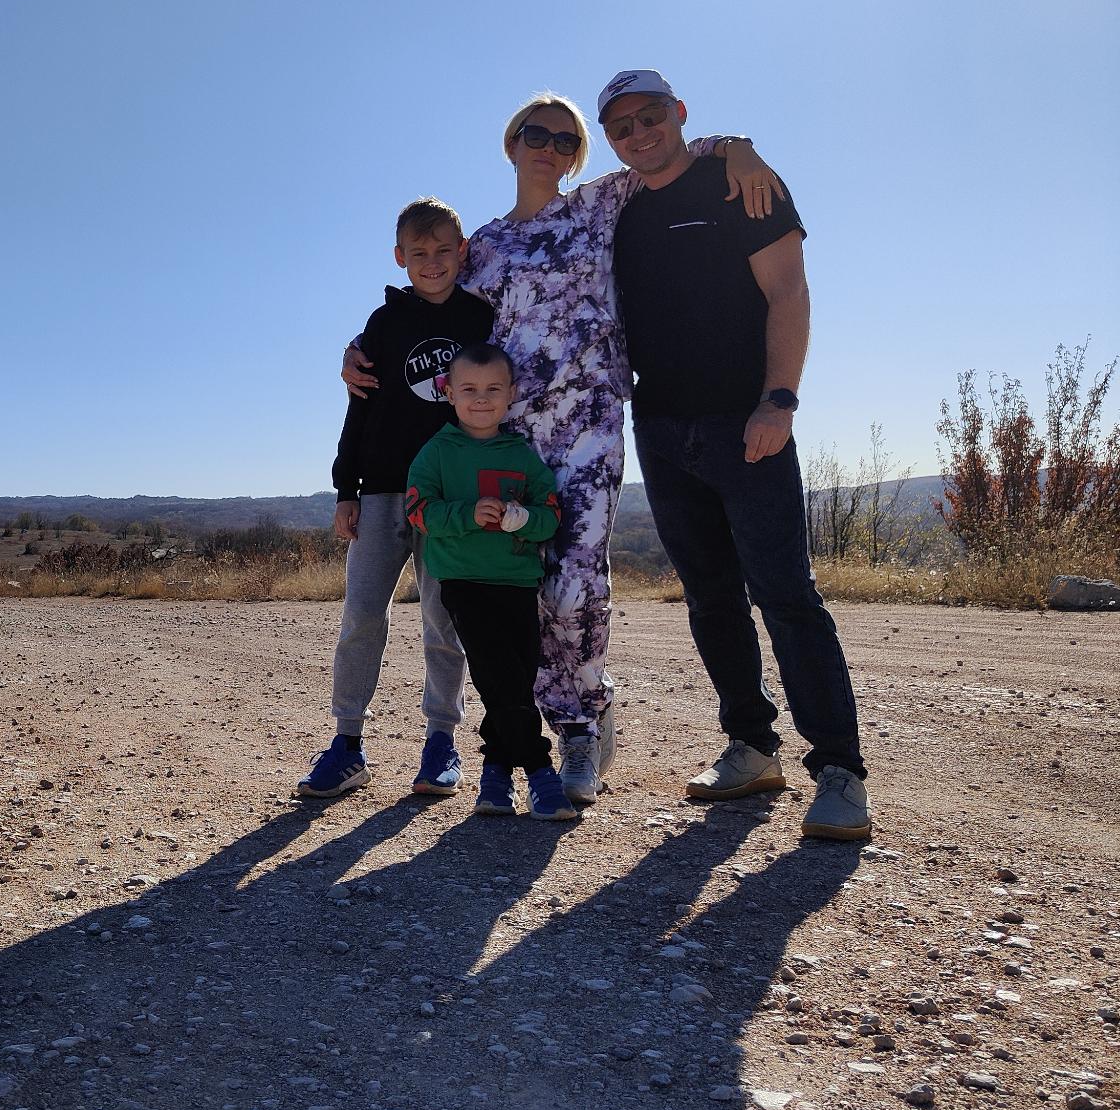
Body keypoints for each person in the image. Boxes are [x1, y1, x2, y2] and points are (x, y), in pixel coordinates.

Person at [344, 97, 783, 806]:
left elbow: (677, 150)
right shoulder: (481, 246)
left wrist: (743, 146)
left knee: (577, 581)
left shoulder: (600, 206)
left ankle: (581, 722)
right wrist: (358, 353)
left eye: (564, 137)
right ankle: (545, 725)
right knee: (521, 589)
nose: (548, 146)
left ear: (578, 152)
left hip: (589, 427)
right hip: (511, 438)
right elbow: (429, 314)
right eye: (534, 134)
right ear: (511, 145)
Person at [600, 67, 871, 842]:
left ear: (680, 113)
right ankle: (752, 746)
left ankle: (841, 773)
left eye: (653, 115)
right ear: (612, 143)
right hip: (660, 426)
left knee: (784, 596)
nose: (641, 132)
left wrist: (779, 400)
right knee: (711, 598)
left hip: (745, 422)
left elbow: (790, 292)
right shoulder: (618, 208)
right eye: (623, 126)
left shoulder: (737, 181)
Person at [299, 198, 495, 800]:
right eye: (419, 253)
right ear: (400, 258)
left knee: (444, 621)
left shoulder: (482, 318)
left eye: (442, 251)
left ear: (462, 252)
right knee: (362, 615)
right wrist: (345, 489)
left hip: (452, 497)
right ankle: (348, 743)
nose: (431, 262)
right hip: (384, 490)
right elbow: (361, 405)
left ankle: (441, 741)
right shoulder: (384, 325)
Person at [404, 343, 572, 820]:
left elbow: (551, 515)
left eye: (493, 389)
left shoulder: (522, 455)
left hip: (519, 581)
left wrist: (524, 519)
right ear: (449, 393)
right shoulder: (436, 453)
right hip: (463, 580)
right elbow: (418, 511)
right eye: (470, 389)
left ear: (511, 394)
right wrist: (467, 514)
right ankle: (541, 772)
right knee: (498, 673)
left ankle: (496, 775)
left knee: (515, 679)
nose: (481, 399)